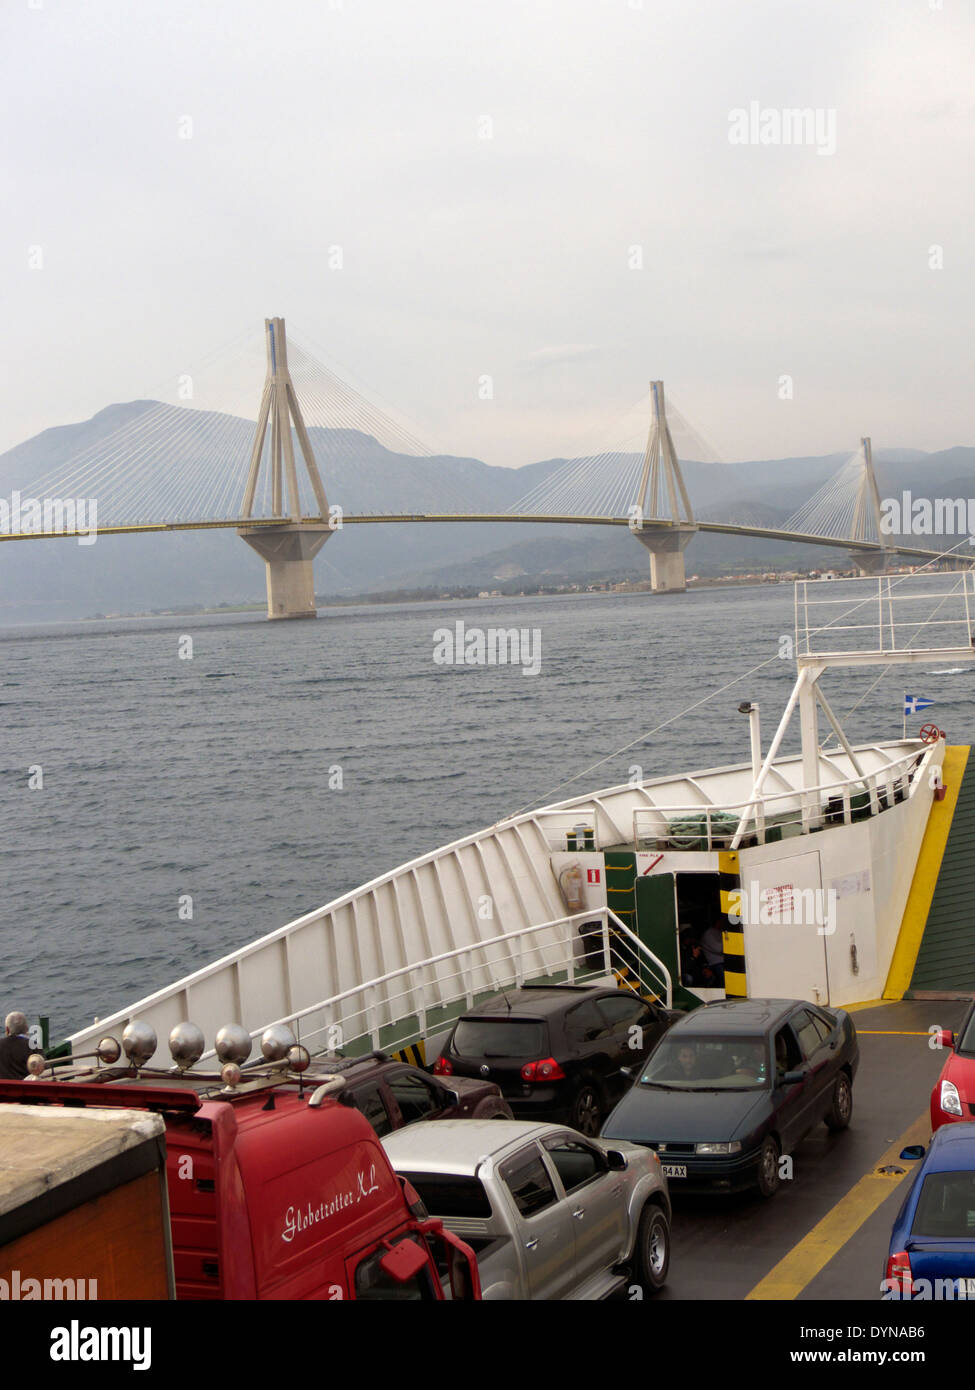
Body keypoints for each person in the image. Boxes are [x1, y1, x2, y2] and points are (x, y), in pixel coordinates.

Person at [0, 1011, 32, 1080]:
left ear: (7, 1030)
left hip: (3, 1088)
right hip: (27, 1088)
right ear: (26, 1029)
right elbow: (44, 1068)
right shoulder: (33, 1045)